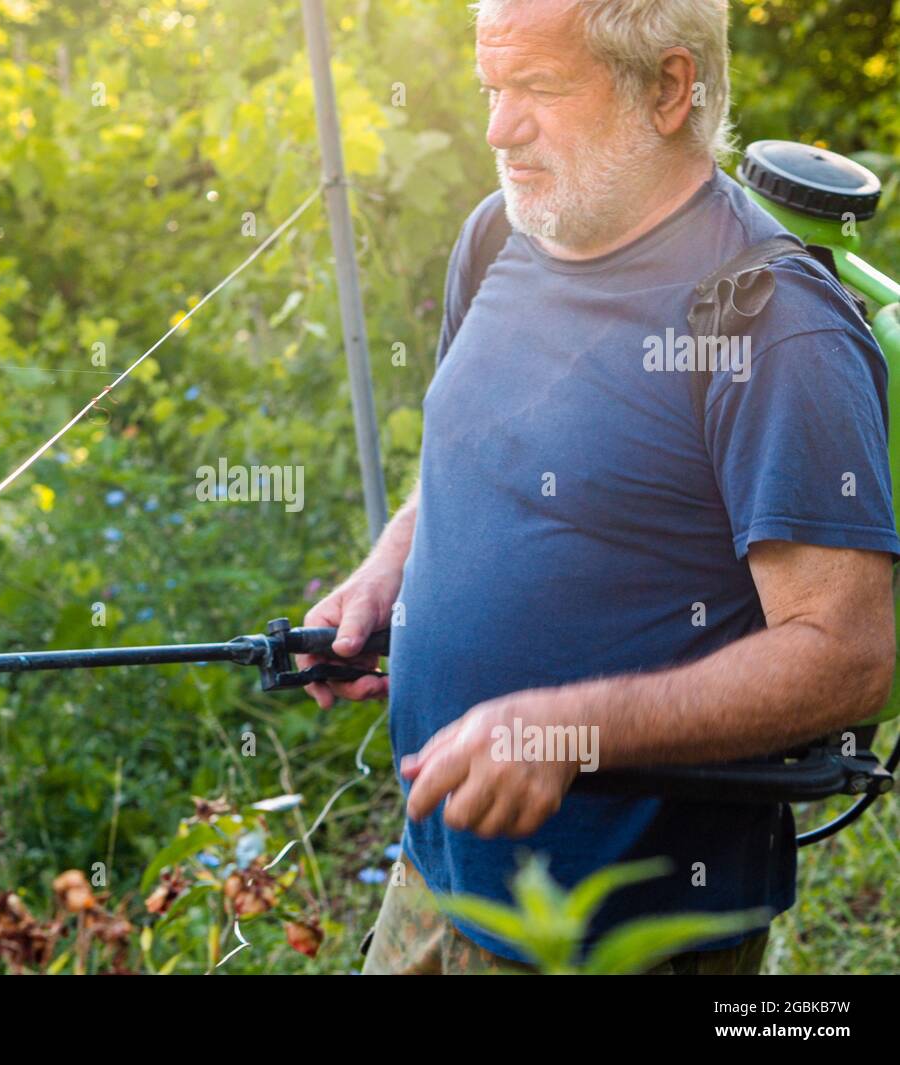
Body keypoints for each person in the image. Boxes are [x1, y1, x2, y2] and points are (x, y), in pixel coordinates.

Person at [299, 0, 899, 975]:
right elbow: (468, 456)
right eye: (492, 88)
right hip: (433, 875)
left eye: (536, 88)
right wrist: (385, 577)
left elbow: (843, 655)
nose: (497, 126)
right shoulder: (501, 232)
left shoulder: (773, 328)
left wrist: (567, 729)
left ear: (667, 87)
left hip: (623, 932)